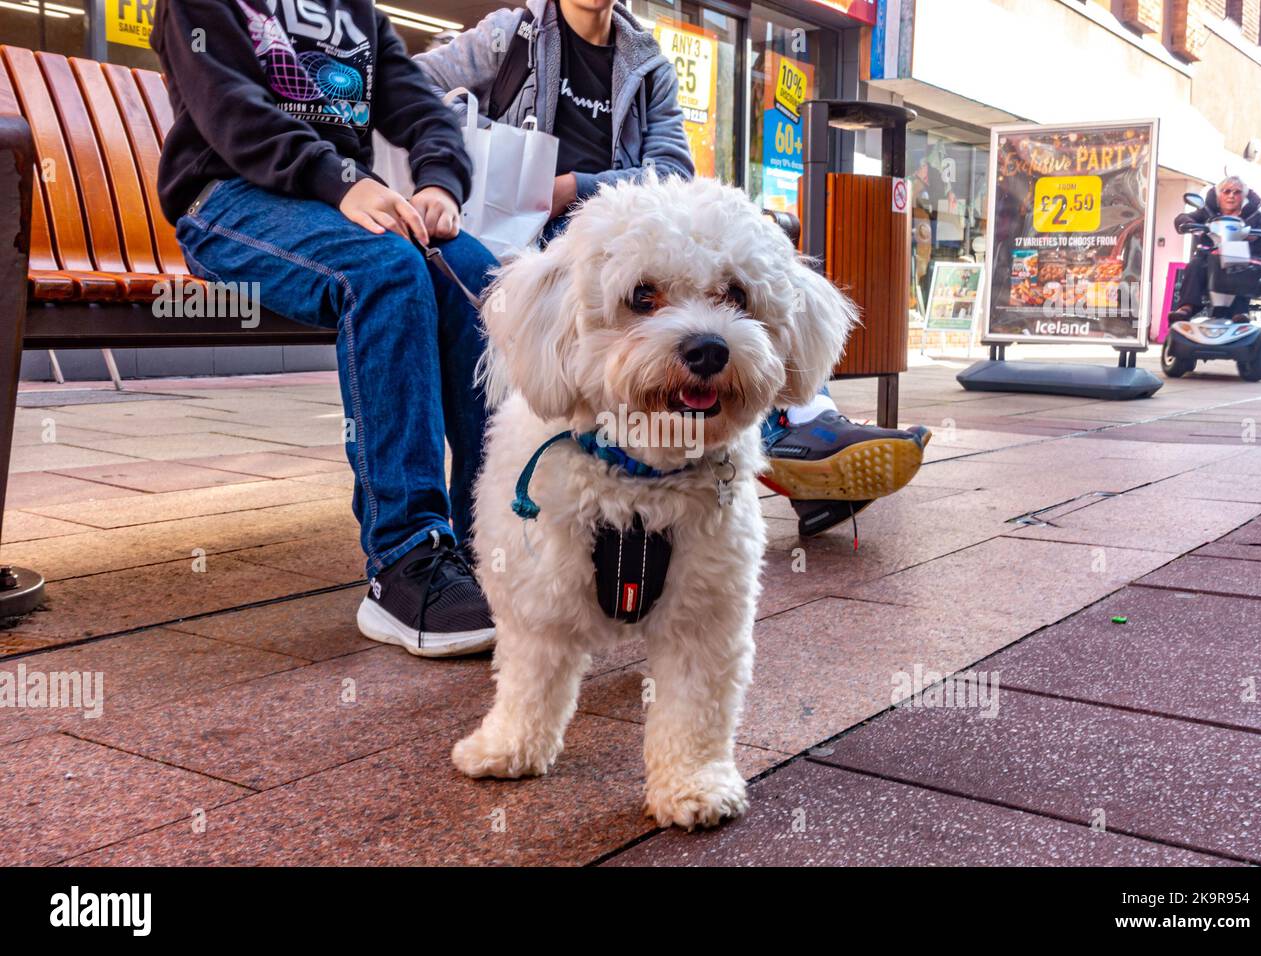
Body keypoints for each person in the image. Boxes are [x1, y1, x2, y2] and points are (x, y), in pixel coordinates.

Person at [416, 0, 929, 537]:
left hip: (630, 236)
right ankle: (800, 432)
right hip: (527, 239)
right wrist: (472, 156)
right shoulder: (510, 34)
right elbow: (409, 87)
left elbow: (671, 169)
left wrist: (573, 187)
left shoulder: (647, 60)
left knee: (738, 278)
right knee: (525, 309)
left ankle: (805, 419)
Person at [152, 0, 497, 658]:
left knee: (474, 274)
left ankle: (492, 540)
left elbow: (422, 108)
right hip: (226, 199)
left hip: (331, 205)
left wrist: (440, 184)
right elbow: (230, 110)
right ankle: (405, 561)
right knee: (386, 270)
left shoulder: (357, 11)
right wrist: (337, 179)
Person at [1168, 176, 1261, 321]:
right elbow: (1182, 218)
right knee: (1195, 264)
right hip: (1209, 263)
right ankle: (1187, 307)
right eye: (1226, 191)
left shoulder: (1254, 216)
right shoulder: (1207, 212)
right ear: (1219, 196)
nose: (1231, 195)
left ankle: (1240, 311)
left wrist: (1256, 236)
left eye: (1237, 192)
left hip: (1241, 260)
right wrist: (1191, 225)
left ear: (1243, 197)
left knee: (1240, 266)